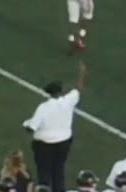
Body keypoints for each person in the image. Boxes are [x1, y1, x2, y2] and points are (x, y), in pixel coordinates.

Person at [24, 62, 86, 192]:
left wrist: (27, 124)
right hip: (64, 142)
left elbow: (31, 128)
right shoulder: (68, 101)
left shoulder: (43, 108)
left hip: (44, 145)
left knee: (44, 172)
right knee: (58, 171)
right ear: (61, 91)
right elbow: (78, 89)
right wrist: (82, 73)